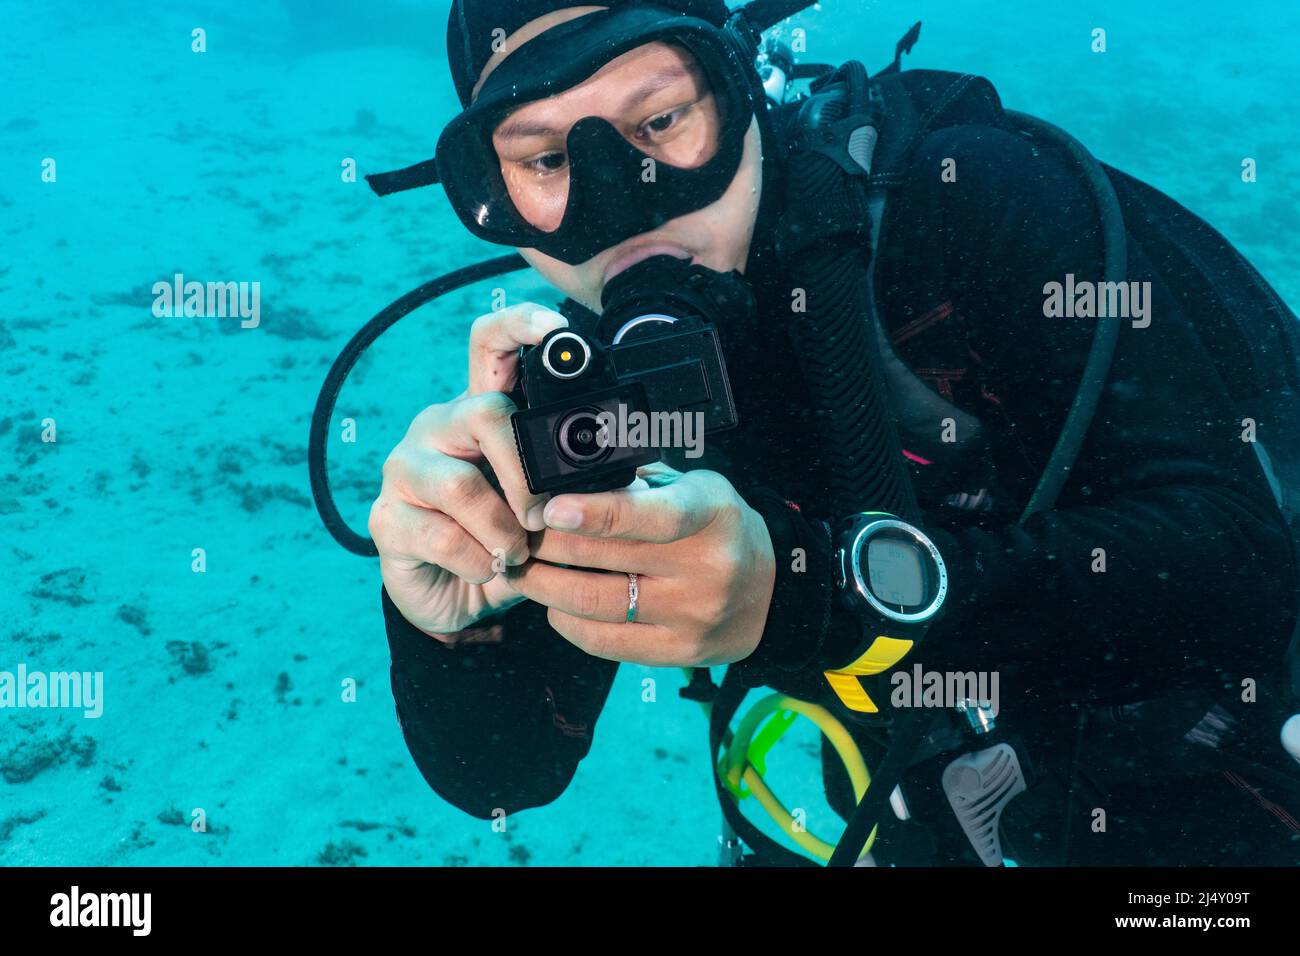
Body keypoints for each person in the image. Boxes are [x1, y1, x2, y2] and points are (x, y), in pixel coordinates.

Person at [364, 0, 1300, 865]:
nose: (623, 201)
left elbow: (1245, 575)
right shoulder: (582, 382)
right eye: (548, 161)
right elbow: (505, 774)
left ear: (743, 94)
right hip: (936, 799)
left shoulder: (969, 204)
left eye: (659, 124)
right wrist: (453, 609)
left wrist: (818, 599)